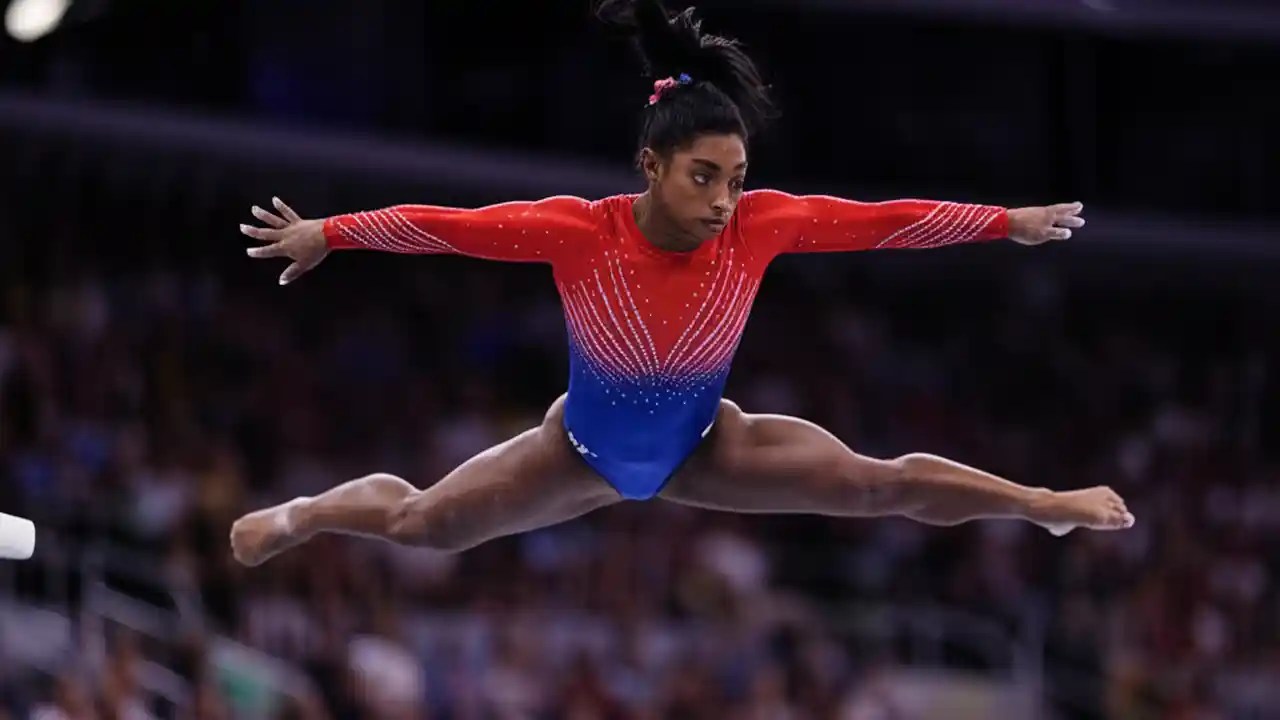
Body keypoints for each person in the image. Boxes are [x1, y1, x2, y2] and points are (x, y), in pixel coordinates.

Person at [230, 0, 1133, 567]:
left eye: (736, 178)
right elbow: (445, 229)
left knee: (875, 484)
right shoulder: (579, 233)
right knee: (422, 528)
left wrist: (1004, 222)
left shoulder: (763, 224)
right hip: (577, 453)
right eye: (704, 176)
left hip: (708, 446)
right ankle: (308, 513)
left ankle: (1041, 506)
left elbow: (882, 220)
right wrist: (328, 234)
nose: (724, 199)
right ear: (649, 165)